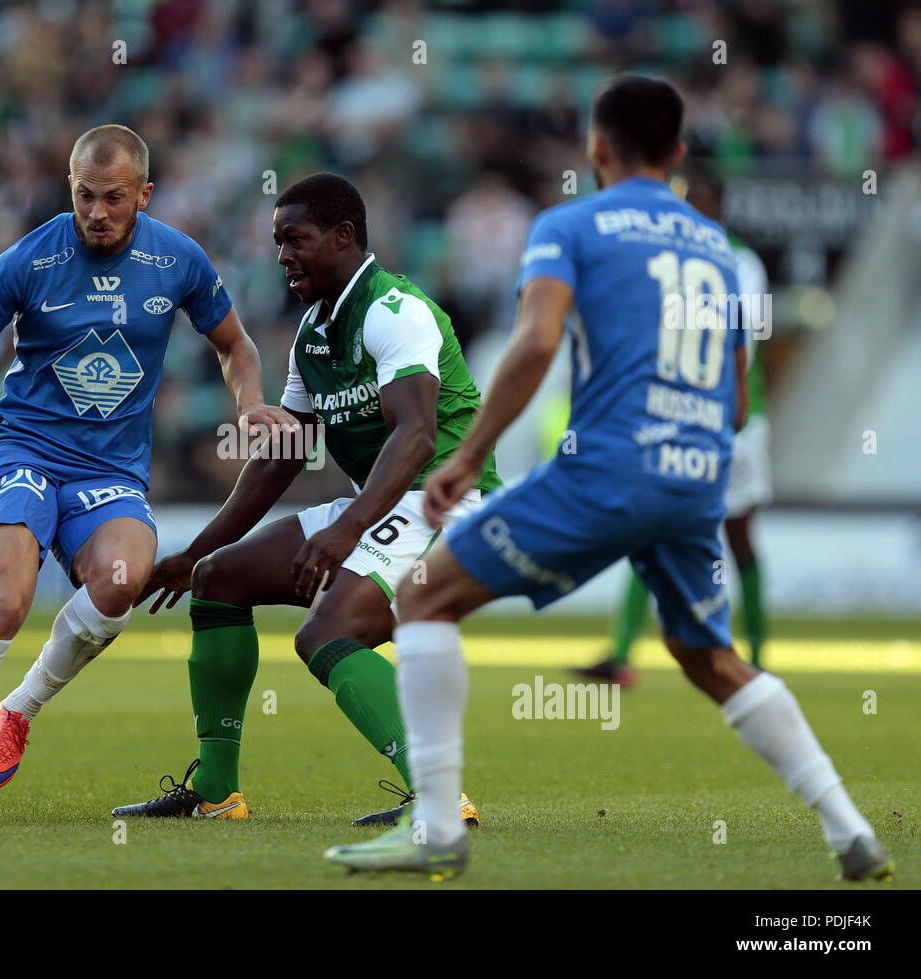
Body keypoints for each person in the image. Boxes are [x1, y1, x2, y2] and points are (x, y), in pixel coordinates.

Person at [324, 77, 893, 882]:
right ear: (681, 153)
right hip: (698, 474)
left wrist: (464, 454)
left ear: (596, 148)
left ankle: (438, 828)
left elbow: (533, 344)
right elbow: (734, 396)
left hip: (607, 469)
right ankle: (851, 831)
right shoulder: (715, 248)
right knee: (710, 658)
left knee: (423, 597)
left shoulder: (569, 225)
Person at [0, 124, 297, 823]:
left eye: (115, 198)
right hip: (24, 453)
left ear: (144, 194)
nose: (98, 212)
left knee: (122, 582)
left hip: (109, 470)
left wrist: (253, 402)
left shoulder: (179, 260)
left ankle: (18, 711)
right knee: (6, 602)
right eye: (86, 195)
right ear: (71, 188)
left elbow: (233, 344)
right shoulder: (30, 259)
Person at [113, 173, 498, 825]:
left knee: (329, 632)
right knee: (218, 579)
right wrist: (195, 551)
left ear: (344, 238)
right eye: (277, 241)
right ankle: (215, 788)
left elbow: (416, 434)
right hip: (387, 505)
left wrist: (348, 526)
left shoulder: (393, 310)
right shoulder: (314, 334)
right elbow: (283, 456)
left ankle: (437, 795)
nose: (283, 254)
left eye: (297, 239)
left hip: (448, 505)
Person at [577, 162, 771, 685]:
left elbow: (740, 345)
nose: (690, 210)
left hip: (735, 418)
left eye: (699, 200)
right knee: (650, 527)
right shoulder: (673, 257)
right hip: (678, 413)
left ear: (717, 205)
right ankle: (620, 656)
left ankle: (759, 655)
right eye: (685, 199)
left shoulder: (742, 261)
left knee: (739, 535)